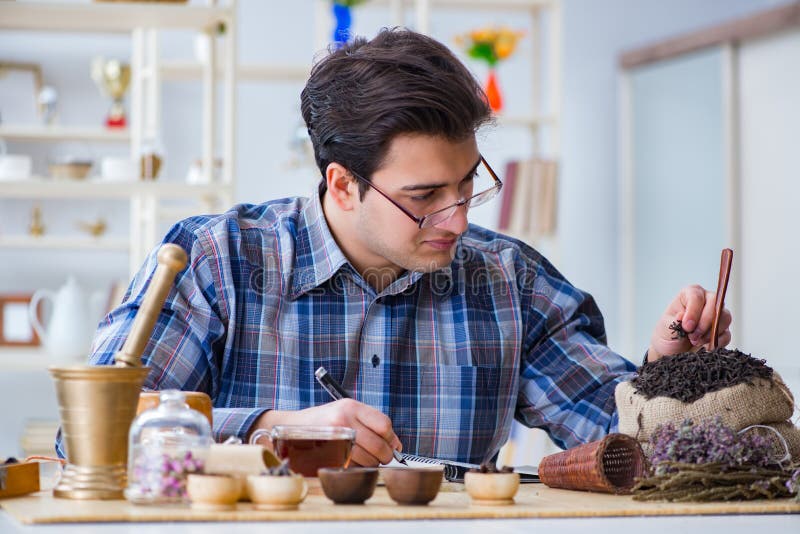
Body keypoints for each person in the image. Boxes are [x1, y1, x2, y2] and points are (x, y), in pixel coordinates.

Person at [57, 29, 731, 465]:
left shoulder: (510, 281)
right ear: (343, 184)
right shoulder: (214, 262)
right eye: (425, 195)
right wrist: (270, 430)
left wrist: (671, 377)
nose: (458, 219)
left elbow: (631, 447)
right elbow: (89, 440)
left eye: (469, 185)